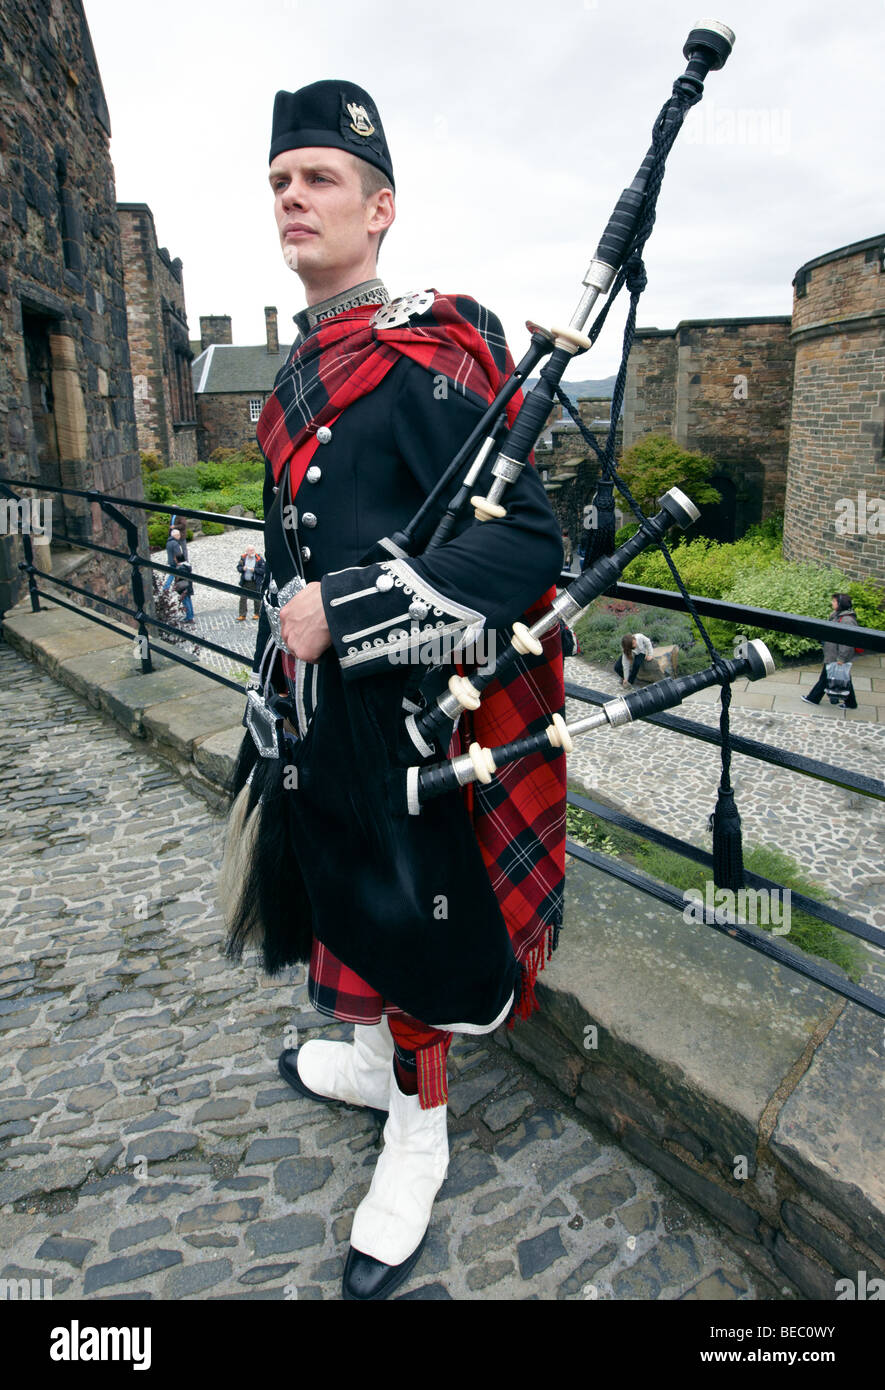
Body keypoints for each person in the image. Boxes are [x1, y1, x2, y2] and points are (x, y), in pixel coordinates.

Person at [223, 79, 565, 1302]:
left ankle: (419, 1134)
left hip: (411, 714)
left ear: (381, 210)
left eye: (317, 180)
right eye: (278, 182)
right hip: (320, 712)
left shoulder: (426, 362)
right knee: (342, 903)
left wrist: (353, 609)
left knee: (412, 921)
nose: (290, 200)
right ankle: (372, 1066)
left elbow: (530, 543)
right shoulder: (302, 366)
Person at [802, 593, 859, 709]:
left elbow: (847, 642)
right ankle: (850, 703)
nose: (832, 603)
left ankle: (813, 698)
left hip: (836, 656)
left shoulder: (847, 620)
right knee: (840, 677)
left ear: (840, 604)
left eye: (834, 601)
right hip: (832, 654)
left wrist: (841, 659)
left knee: (830, 677)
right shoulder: (836, 615)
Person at [236, 547, 266, 620]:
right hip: (245, 582)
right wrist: (242, 569)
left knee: (256, 598)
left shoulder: (259, 559)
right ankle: (242, 615)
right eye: (250, 550)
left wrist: (255, 570)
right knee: (243, 598)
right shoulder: (243, 558)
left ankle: (257, 614)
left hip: (255, 582)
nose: (252, 551)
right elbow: (238, 567)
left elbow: (264, 570)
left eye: (253, 550)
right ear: (247, 551)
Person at [163, 526, 185, 591]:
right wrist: (182, 562)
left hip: (170, 560)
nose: (179, 536)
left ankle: (168, 586)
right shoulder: (175, 543)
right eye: (179, 535)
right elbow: (178, 553)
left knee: (173, 574)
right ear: (176, 535)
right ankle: (167, 586)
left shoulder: (168, 542)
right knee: (174, 575)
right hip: (175, 562)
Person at [173, 559, 194, 625]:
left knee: (186, 603)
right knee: (189, 602)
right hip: (188, 588)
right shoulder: (186, 566)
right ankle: (190, 616)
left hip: (184, 589)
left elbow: (182, 579)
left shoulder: (181, 568)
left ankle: (189, 618)